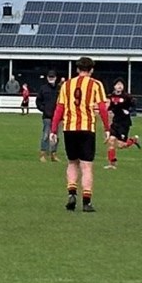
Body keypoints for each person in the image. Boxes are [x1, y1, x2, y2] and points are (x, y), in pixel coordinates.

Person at [47, 57, 110, 212]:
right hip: (87, 128)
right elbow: (102, 108)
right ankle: (87, 202)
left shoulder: (66, 85)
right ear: (92, 69)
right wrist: (107, 128)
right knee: (87, 166)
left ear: (77, 69)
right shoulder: (96, 85)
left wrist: (54, 130)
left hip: (69, 128)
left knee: (72, 162)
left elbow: (59, 109)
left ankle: (71, 193)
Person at [104, 79, 141, 169]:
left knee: (121, 145)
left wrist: (128, 111)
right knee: (111, 141)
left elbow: (134, 105)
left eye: (121, 84)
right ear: (114, 86)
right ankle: (112, 164)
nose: (119, 86)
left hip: (124, 123)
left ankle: (133, 140)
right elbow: (111, 107)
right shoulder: (111, 96)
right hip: (115, 122)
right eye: (117, 84)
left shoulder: (127, 96)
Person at [36, 71, 61, 162]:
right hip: (47, 116)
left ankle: (53, 154)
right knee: (46, 135)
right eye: (50, 77)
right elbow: (38, 102)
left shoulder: (59, 89)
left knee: (55, 136)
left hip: (57, 117)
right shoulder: (43, 88)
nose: (51, 78)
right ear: (47, 78)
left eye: (53, 77)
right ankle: (43, 154)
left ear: (55, 77)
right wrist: (44, 109)